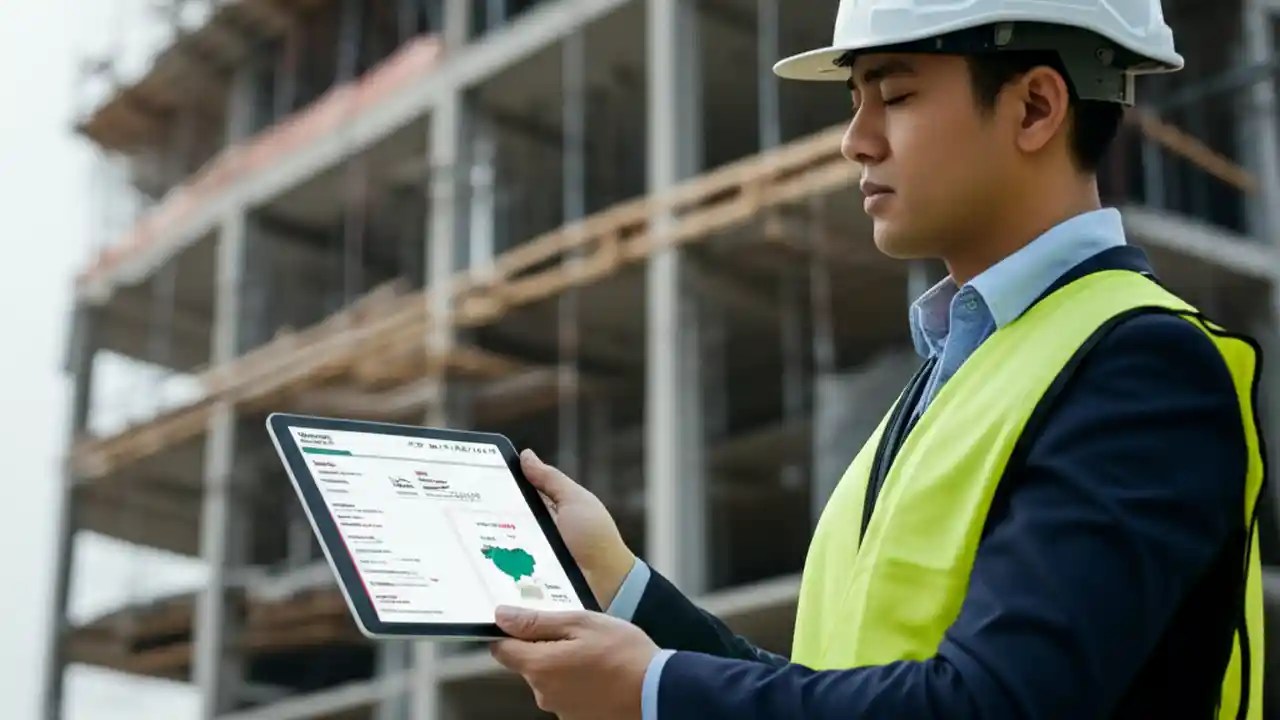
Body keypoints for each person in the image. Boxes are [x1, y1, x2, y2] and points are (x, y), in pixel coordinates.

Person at [488, 1, 1267, 718]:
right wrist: (624, 588)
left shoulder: (1144, 365)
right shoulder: (959, 373)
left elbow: (996, 704)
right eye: (854, 101)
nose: (855, 139)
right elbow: (838, 690)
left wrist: (657, 692)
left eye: (893, 96)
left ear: (1035, 107)